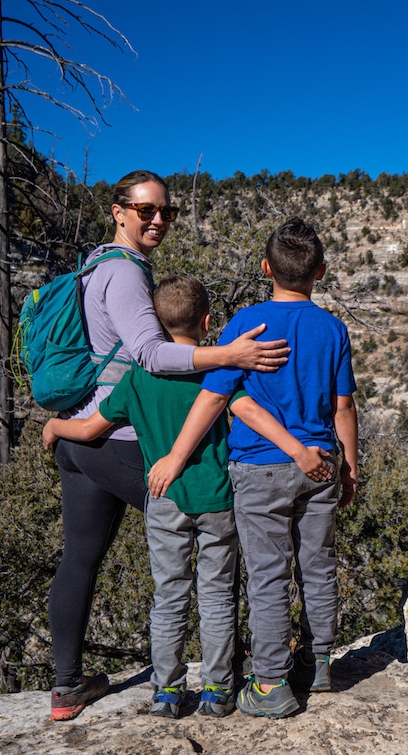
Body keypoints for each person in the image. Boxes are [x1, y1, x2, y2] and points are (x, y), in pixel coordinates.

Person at [47, 170, 291, 722]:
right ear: (118, 211)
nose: (157, 219)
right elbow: (154, 357)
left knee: (82, 558)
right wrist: (227, 357)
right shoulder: (128, 275)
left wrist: (61, 427)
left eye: (166, 211)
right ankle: (234, 669)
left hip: (87, 430)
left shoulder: (92, 266)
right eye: (145, 210)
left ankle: (66, 688)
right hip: (129, 440)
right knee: (210, 530)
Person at [149, 217, 358, 720]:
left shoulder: (247, 323)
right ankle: (321, 661)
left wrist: (176, 457)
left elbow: (216, 396)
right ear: (321, 272)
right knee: (318, 563)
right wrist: (350, 468)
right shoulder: (333, 329)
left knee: (268, 577)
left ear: (266, 268)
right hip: (321, 465)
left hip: (260, 469)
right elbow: (343, 407)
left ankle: (270, 684)